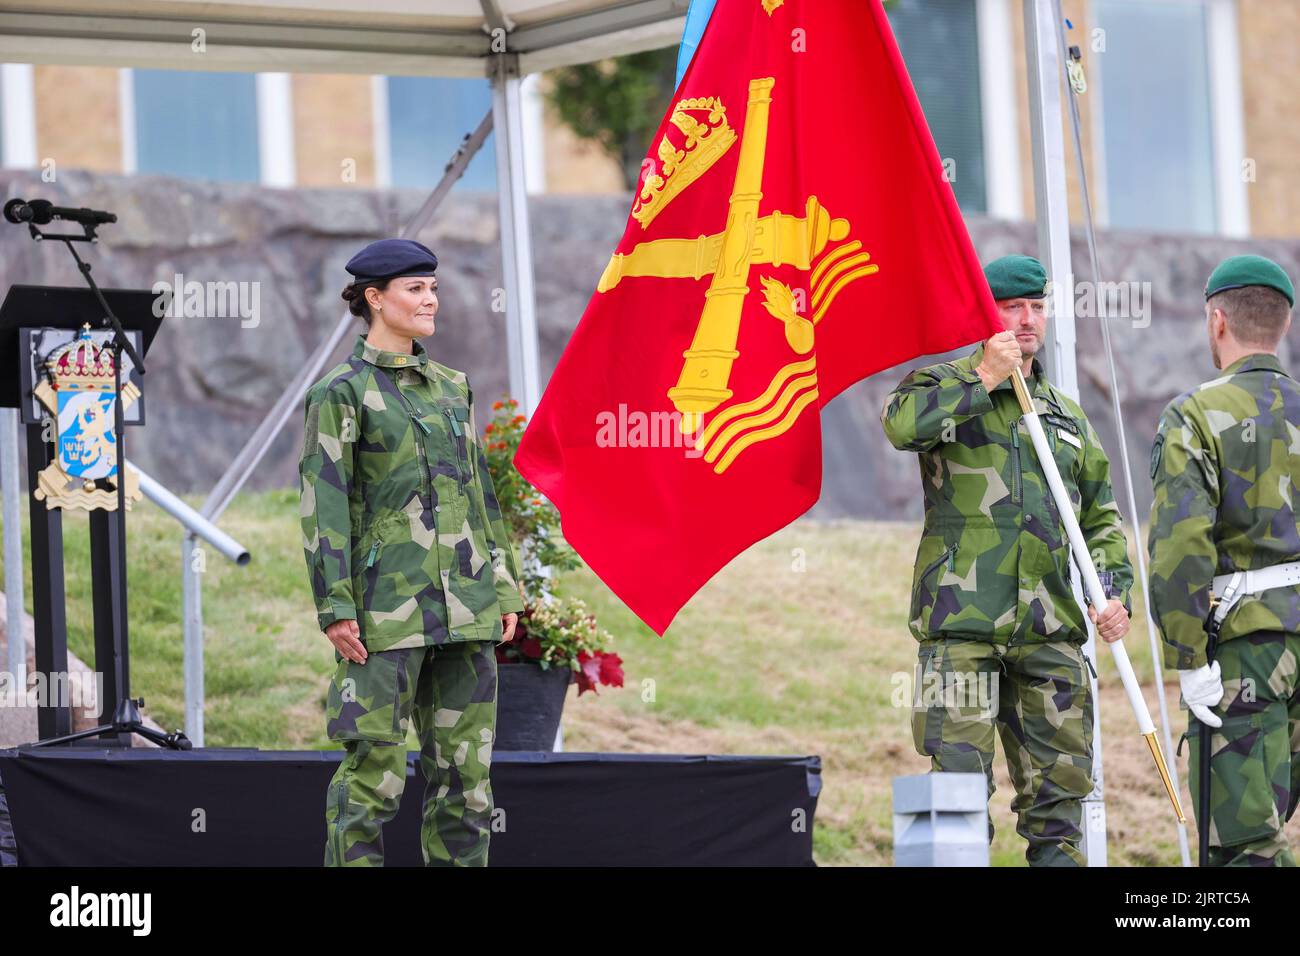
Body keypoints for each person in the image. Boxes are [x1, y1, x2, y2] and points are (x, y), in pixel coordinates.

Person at [880, 254, 1133, 866]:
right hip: (962, 629)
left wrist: (1110, 590)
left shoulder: (1066, 416)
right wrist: (982, 380)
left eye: (1037, 308)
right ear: (982, 312)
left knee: (1059, 813)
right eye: (1012, 307)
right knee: (956, 802)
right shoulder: (944, 388)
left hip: (1049, 635)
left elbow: (1099, 516)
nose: (1027, 321)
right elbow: (900, 426)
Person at [299, 238, 525, 866]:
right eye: (415, 289)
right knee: (372, 780)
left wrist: (502, 586)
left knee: (468, 785)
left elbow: (479, 495)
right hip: (385, 616)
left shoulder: (453, 388)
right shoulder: (340, 394)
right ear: (375, 299)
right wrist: (335, 606)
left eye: (433, 288)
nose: (431, 299)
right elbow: (325, 507)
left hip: (467, 608)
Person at [1148, 254, 1299, 867]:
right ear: (1283, 326)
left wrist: (1187, 656)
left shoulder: (1196, 414)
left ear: (1217, 321)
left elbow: (1181, 546)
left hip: (1245, 652)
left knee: (1243, 845)